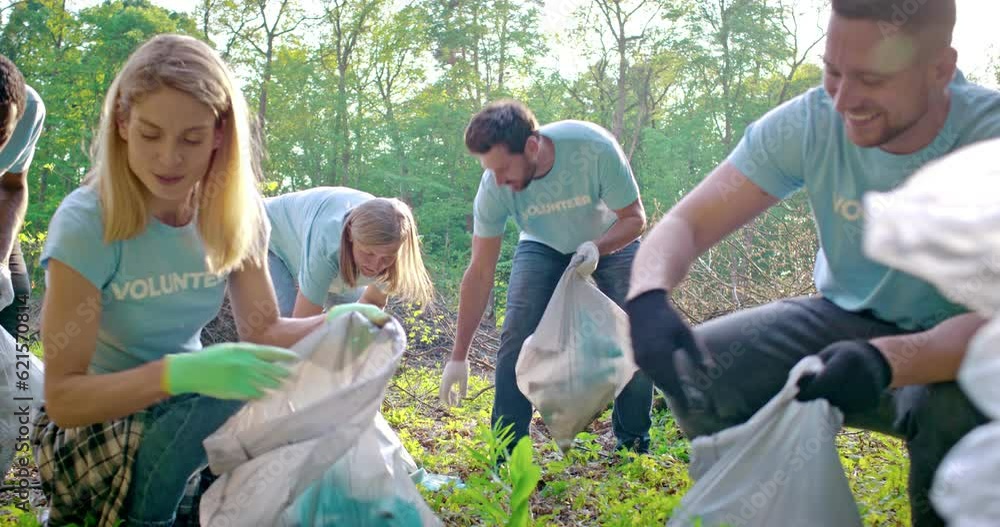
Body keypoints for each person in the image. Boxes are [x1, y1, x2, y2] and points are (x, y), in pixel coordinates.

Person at [624, 1, 998, 525]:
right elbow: (688, 223)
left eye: (871, 78)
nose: (844, 100)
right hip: (844, 316)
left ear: (940, 68)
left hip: (967, 344)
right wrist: (646, 297)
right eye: (833, 71)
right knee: (707, 372)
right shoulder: (810, 121)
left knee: (962, 413)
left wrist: (887, 360)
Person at [31, 34, 384, 526]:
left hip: (187, 413)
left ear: (220, 134)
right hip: (94, 429)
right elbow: (64, 400)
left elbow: (265, 333)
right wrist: (176, 374)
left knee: (275, 406)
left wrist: (335, 322)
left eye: (191, 139)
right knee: (209, 408)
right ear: (123, 125)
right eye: (151, 135)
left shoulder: (236, 216)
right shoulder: (88, 222)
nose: (169, 159)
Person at [438, 99, 654, 453]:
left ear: (532, 146)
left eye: (504, 168)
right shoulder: (493, 187)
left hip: (610, 237)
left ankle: (633, 445)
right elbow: (479, 272)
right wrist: (458, 355)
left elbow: (634, 218)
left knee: (635, 330)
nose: (499, 180)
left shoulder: (593, 148)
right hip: (542, 243)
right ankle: (509, 454)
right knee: (517, 334)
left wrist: (598, 247)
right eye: (490, 170)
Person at [264, 186, 434, 317]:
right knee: (285, 314)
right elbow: (302, 321)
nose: (376, 266)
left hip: (310, 248)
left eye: (386, 258)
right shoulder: (327, 242)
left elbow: (371, 303)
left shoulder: (392, 241)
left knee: (353, 318)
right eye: (369, 254)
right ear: (351, 234)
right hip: (263, 235)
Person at [0, 54, 45, 337]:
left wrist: (1, 260)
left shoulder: (30, 110)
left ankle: (15, 383)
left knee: (14, 298)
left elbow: (13, 185)